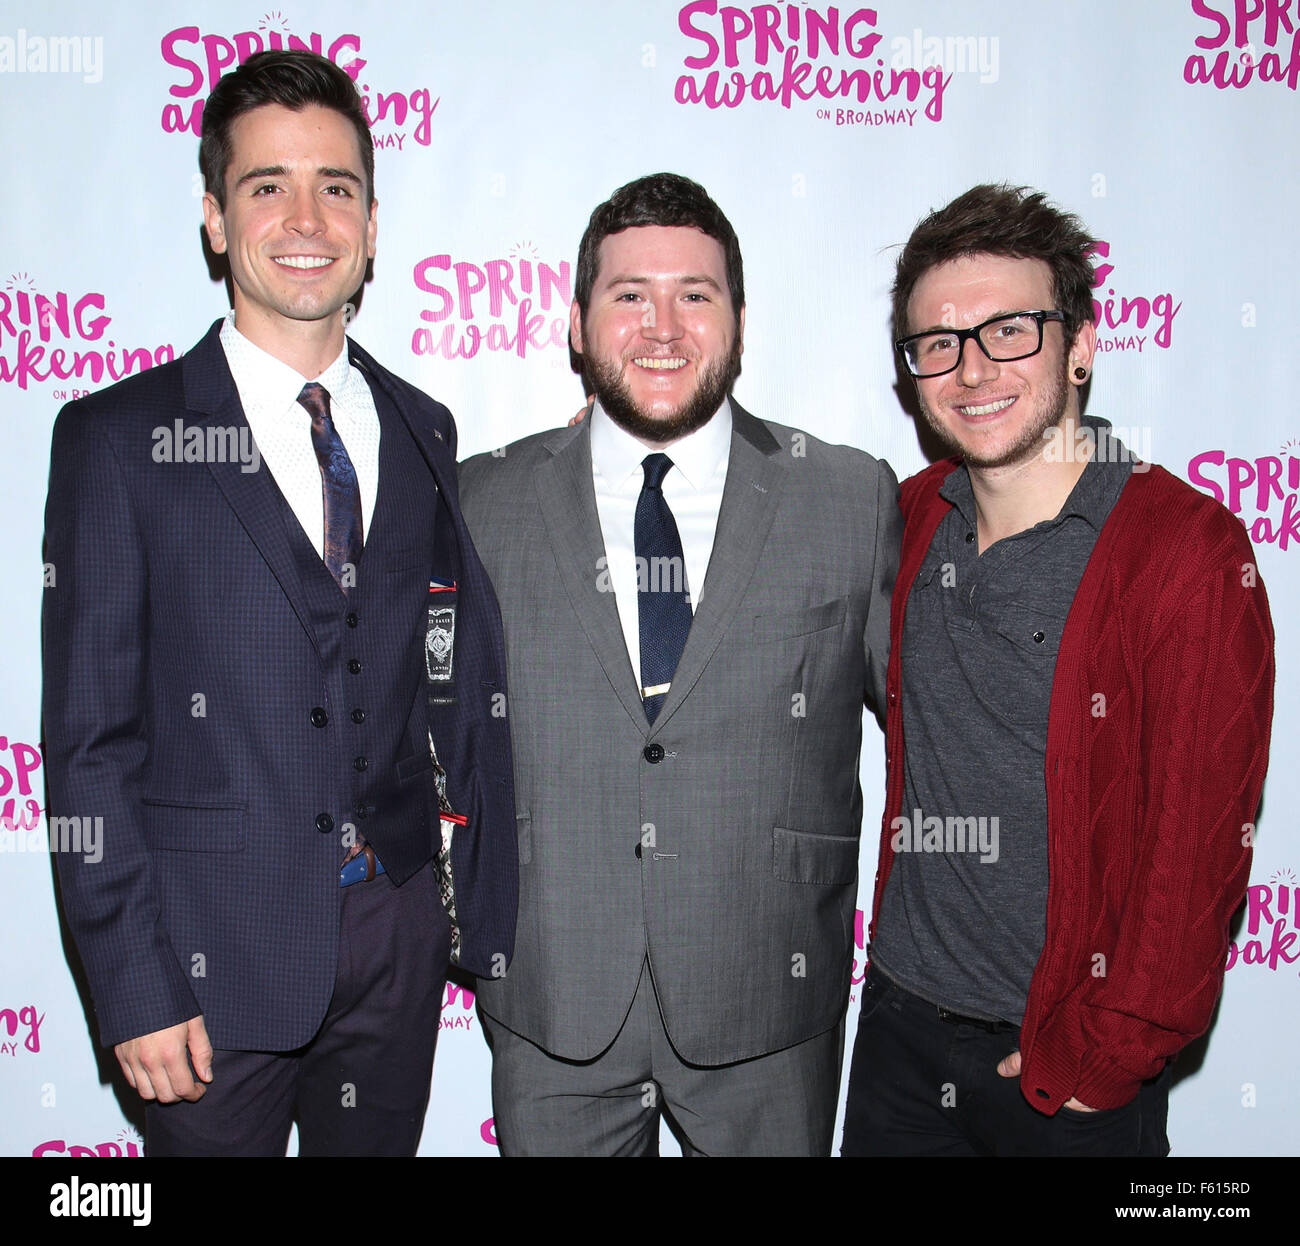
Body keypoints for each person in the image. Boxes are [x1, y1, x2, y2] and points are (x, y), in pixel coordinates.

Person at [41, 49, 517, 1156]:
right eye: (267, 186)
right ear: (215, 218)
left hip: (393, 946)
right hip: (204, 966)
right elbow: (88, 744)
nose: (306, 218)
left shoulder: (423, 426)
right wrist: (132, 979)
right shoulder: (118, 440)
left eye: (335, 187)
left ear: (372, 221)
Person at [459, 172, 900, 1156]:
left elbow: (936, 733)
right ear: (577, 324)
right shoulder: (481, 503)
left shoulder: (846, 497)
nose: (662, 328)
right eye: (629, 296)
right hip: (552, 994)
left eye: (694, 295)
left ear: (738, 320)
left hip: (767, 999)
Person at [841, 183, 1275, 1157]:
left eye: (1010, 330)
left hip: (1064, 1068)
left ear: (1079, 342)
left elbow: (1200, 839)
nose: (972, 367)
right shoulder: (903, 522)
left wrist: (1112, 1056)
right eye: (938, 343)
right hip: (898, 1034)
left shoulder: (1182, 551)